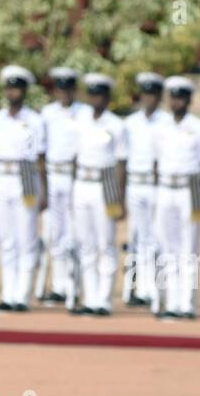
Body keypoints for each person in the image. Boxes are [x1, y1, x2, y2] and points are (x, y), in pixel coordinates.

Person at [0, 64, 47, 312]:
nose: (13, 92)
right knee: (5, 239)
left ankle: (22, 294)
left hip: (27, 177)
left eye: (18, 87)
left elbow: (40, 158)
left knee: (26, 238)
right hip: (2, 177)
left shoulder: (35, 120)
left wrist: (44, 191)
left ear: (25, 91)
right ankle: (9, 293)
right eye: (10, 87)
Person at [152, 75, 200, 319]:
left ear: (188, 100)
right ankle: (170, 301)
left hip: (190, 189)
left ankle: (187, 304)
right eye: (173, 97)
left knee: (189, 248)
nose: (176, 102)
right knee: (167, 248)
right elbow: (157, 161)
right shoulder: (162, 127)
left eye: (181, 97)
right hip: (166, 188)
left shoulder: (199, 127)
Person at [70, 73, 127, 315]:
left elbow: (122, 163)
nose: (96, 99)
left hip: (106, 185)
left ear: (107, 97)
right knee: (86, 244)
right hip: (82, 182)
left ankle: (103, 298)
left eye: (100, 95)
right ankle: (90, 297)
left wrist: (120, 197)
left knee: (106, 243)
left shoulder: (116, 124)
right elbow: (75, 156)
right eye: (92, 94)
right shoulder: (80, 120)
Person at [40, 66, 90, 303]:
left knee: (75, 231)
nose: (64, 93)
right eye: (60, 88)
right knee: (54, 232)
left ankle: (74, 283)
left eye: (68, 88)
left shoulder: (85, 113)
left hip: (75, 176)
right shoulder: (47, 113)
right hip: (52, 174)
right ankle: (58, 284)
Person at [122, 72, 165, 306]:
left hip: (155, 184)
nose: (149, 99)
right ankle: (132, 287)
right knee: (135, 236)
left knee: (153, 238)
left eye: (153, 94)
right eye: (146, 94)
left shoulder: (166, 122)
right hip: (134, 182)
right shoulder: (130, 123)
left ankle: (149, 288)